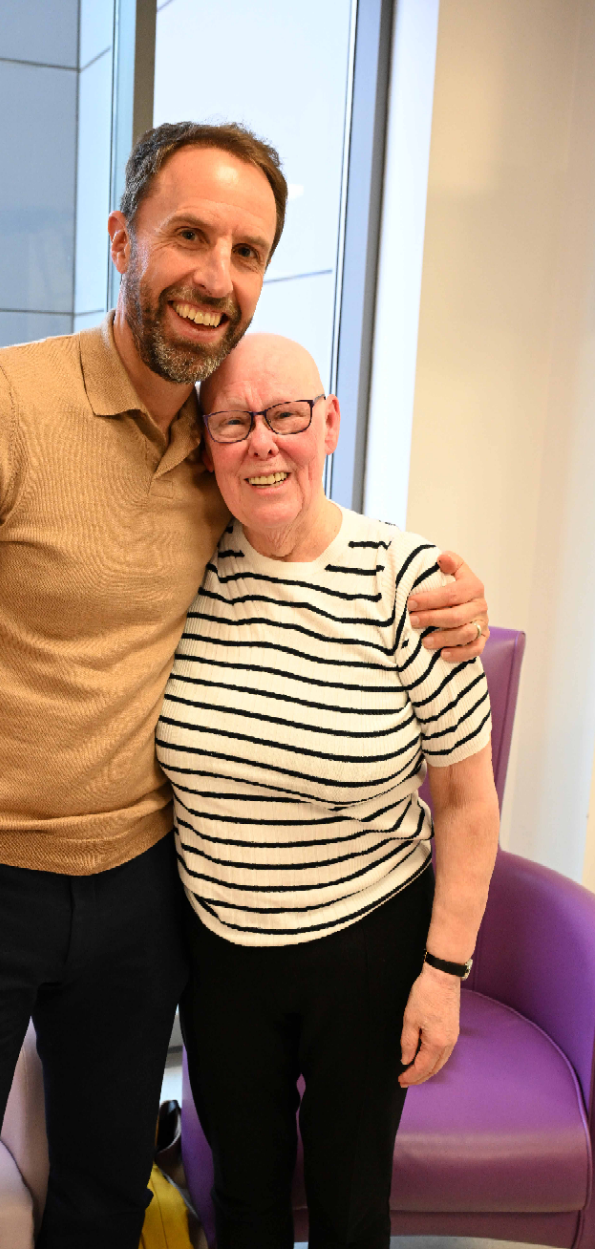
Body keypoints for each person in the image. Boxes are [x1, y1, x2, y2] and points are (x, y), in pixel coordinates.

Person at [0, 122, 490, 1249]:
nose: (216, 276)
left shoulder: (215, 450)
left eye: (247, 250)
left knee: (107, 1199)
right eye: (190, 234)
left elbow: (309, 532)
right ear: (123, 236)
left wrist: (447, 588)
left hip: (140, 897)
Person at [156, 333, 501, 1249]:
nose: (262, 442)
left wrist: (445, 976)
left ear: (330, 424)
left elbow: (468, 803)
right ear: (206, 441)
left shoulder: (411, 583)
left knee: (351, 1206)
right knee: (244, 1197)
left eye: (287, 416)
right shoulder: (181, 571)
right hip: (220, 951)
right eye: (234, 421)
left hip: (369, 946)